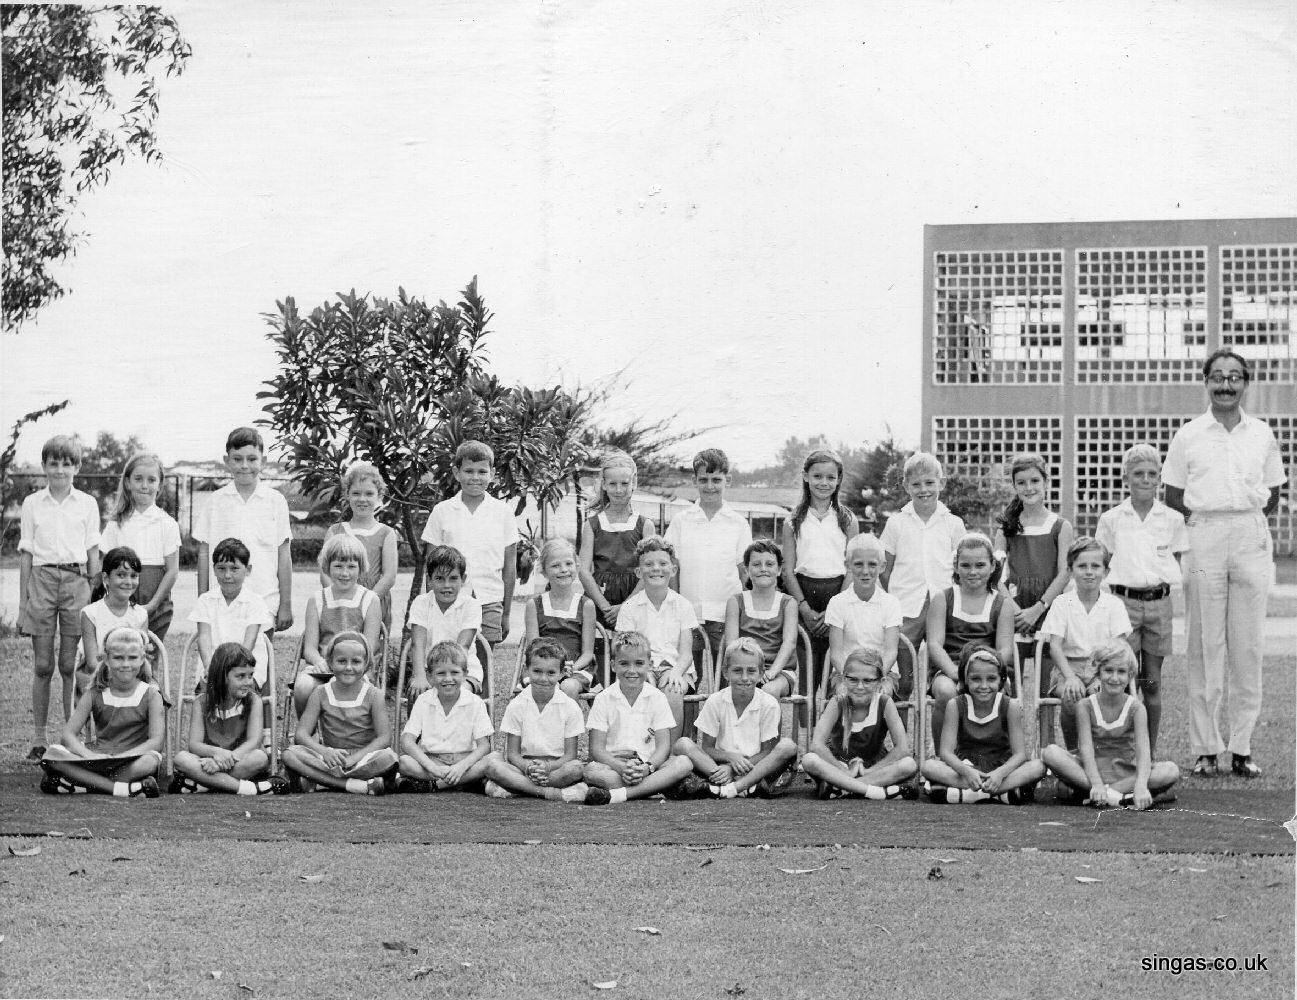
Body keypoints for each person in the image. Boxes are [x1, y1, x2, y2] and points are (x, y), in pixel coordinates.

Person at [1163, 349, 1287, 779]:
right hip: (1204, 535)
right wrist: (1207, 523)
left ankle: (1242, 747)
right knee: (1204, 644)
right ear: (1206, 382)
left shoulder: (1262, 434)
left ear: (1246, 383)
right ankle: (1205, 748)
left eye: (1235, 377)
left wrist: (1242, 520)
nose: (1226, 385)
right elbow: (1174, 495)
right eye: (1218, 377)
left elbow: (1272, 492)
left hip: (1249, 534)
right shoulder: (1190, 434)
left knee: (1248, 646)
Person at [1094, 443, 1189, 755]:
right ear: (1126, 478)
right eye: (1138, 474)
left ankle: (1148, 751)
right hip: (1124, 604)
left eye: (1152, 474)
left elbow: (1172, 560)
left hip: (1159, 605)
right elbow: (1100, 561)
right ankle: (1119, 749)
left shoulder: (1172, 519)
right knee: (1121, 678)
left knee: (1151, 683)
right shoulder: (1112, 519)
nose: (1145, 480)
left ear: (1160, 478)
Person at [18, 435, 101, 762]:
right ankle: (39, 738)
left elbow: (93, 552)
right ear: (44, 466)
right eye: (54, 463)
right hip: (41, 578)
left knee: (69, 664)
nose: (60, 469)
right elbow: (25, 554)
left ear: (76, 467)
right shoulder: (32, 503)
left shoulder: (87, 504)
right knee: (43, 664)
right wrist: (23, 602)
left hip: (76, 581)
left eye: (67, 463)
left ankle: (69, 736)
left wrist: (96, 596)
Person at [1042, 641, 1179, 809]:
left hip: (1126, 776)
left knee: (1170, 770)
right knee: (1050, 753)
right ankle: (1114, 796)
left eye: (1121, 672)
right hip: (1090, 774)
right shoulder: (1085, 706)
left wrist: (1141, 785)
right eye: (1108, 671)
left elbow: (1144, 752)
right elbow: (1086, 749)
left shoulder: (1136, 708)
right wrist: (1097, 783)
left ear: (1130, 676)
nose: (1114, 678)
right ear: (1098, 673)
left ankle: (1107, 794)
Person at [39, 626, 162, 797]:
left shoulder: (151, 694)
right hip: (98, 757)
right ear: (106, 659)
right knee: (52, 754)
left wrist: (125, 755)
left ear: (142, 659)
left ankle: (86, 784)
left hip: (132, 759)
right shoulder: (95, 692)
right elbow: (67, 735)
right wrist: (89, 755)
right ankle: (120, 789)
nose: (126, 664)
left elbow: (156, 741)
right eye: (118, 658)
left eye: (132, 658)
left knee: (150, 761)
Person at [664, 448, 753, 679]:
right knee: (688, 676)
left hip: (725, 614)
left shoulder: (738, 523)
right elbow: (673, 567)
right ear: (694, 480)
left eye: (716, 480)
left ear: (728, 480)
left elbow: (743, 571)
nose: (710, 486)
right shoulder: (681, 521)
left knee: (726, 676)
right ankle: (689, 716)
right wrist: (676, 605)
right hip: (688, 612)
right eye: (703, 480)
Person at [193, 426, 293, 632]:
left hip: (263, 598)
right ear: (227, 460)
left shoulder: (276, 501)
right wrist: (202, 601)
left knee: (259, 661)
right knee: (220, 660)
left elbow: (284, 556)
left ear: (263, 461)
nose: (244, 466)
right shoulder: (215, 501)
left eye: (252, 459)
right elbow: (204, 555)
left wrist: (285, 604)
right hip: (220, 600)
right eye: (237, 459)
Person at [672, 637, 798, 798]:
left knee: (788, 746)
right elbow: (707, 748)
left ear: (761, 673)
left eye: (751, 671)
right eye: (737, 671)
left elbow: (768, 752)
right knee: (683, 744)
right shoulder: (715, 701)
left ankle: (731, 787)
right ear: (726, 672)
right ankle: (738, 786)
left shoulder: (769, 703)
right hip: (717, 766)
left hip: (756, 766)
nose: (744, 678)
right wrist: (730, 759)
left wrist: (733, 769)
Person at [420, 439, 518, 647]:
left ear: (492, 474)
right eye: (469, 471)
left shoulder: (503, 513)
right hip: (448, 601)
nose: (475, 477)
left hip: (490, 601)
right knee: (448, 660)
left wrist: (506, 612)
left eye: (482, 471)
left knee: (484, 663)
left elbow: (510, 567)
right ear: (457, 473)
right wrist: (429, 607)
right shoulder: (442, 511)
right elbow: (431, 566)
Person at [1038, 537, 1132, 750]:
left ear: (1106, 572)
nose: (1089, 572)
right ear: (1070, 570)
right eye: (1082, 566)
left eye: (1095, 566)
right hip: (1067, 667)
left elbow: (1118, 648)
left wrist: (1102, 675)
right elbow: (1054, 646)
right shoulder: (1063, 603)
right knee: (1073, 696)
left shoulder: (1113, 604)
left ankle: (1101, 751)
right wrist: (1070, 677)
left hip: (1103, 666)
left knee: (1104, 695)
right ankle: (1073, 752)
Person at [920, 643, 1044, 804]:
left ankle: (967, 794)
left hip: (1000, 768)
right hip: (967, 768)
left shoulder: (1010, 706)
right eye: (976, 679)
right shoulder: (956, 705)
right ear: (965, 680)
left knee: (1038, 767)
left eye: (991, 679)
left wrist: (999, 774)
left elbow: (1020, 754)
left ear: (1001, 680)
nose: (984, 686)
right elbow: (945, 752)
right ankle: (1000, 794)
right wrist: (966, 772)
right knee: (928, 766)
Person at [582, 631, 696, 804]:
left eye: (639, 663)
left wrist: (646, 769)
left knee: (683, 763)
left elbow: (663, 747)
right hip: (615, 764)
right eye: (624, 664)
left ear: (649, 665)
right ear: (613, 665)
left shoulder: (657, 697)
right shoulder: (603, 698)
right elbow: (597, 750)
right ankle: (655, 787)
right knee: (591, 771)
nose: (632, 670)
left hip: (648, 765)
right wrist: (621, 767)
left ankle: (622, 794)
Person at [993, 453, 1074, 695]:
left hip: (1048, 615)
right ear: (1015, 486)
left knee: (1046, 695)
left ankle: (1046, 735)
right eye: (1022, 482)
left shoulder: (1060, 526)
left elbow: (1064, 574)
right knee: (1009, 692)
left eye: (1035, 481)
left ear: (1046, 482)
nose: (1029, 488)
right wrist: (1015, 611)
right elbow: (996, 576)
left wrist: (1038, 608)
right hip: (1013, 617)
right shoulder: (1005, 529)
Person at [281, 631, 399, 794]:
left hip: (363, 758)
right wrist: (325, 752)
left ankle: (320, 782)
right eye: (341, 661)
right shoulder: (320, 693)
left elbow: (385, 738)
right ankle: (351, 785)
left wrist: (355, 758)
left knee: (389, 758)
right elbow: (301, 734)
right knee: (289, 754)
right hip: (330, 758)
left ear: (366, 664)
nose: (348, 667)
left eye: (356, 662)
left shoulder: (374, 694)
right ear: (330, 662)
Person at [924, 532, 1015, 741]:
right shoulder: (943, 598)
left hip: (989, 669)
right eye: (965, 565)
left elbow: (1005, 649)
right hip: (950, 669)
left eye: (980, 565)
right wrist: (955, 673)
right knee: (947, 692)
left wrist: (983, 672)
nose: (973, 572)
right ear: (956, 566)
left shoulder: (1002, 604)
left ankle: (989, 752)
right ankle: (942, 755)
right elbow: (935, 645)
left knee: (991, 691)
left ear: (992, 566)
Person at [780, 449, 858, 684]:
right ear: (806, 476)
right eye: (817, 476)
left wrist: (836, 605)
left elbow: (852, 567)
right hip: (804, 594)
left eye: (830, 477)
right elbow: (787, 569)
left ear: (838, 480)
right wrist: (803, 607)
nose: (824, 483)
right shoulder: (793, 520)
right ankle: (807, 722)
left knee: (835, 667)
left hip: (839, 593)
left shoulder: (847, 519)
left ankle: (832, 720)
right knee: (808, 670)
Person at [801, 646, 918, 800]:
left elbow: (902, 749)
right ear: (843, 679)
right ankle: (874, 791)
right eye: (853, 679)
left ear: (881, 682)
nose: (860, 687)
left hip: (873, 767)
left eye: (868, 681)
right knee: (809, 760)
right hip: (838, 764)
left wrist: (868, 772)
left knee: (909, 764)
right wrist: (845, 771)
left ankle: (842, 788)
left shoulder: (884, 703)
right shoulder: (837, 702)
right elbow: (817, 745)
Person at [483, 638, 591, 802]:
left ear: (562, 674)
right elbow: (512, 754)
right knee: (492, 764)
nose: (543, 678)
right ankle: (549, 793)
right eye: (537, 671)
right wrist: (528, 768)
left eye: (551, 673)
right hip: (524, 767)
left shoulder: (570, 706)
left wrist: (547, 768)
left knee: (575, 769)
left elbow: (570, 755)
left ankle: (519, 788)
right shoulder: (516, 705)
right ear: (526, 671)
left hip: (556, 768)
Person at [170, 643, 286, 795]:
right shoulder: (201, 702)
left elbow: (254, 741)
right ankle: (248, 788)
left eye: (250, 675)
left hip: (238, 760)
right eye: (240, 676)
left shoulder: (253, 701)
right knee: (181, 759)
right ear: (223, 676)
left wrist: (222, 763)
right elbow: (194, 744)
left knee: (259, 757)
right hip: (210, 760)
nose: (248, 682)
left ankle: (203, 785)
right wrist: (217, 754)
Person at [880, 451, 965, 655]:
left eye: (929, 483)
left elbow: (962, 567)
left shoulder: (953, 524)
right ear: (906, 486)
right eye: (916, 484)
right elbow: (884, 568)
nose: (923, 490)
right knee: (903, 667)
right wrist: (894, 597)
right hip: (906, 605)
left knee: (941, 663)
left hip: (944, 606)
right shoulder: (896, 523)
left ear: (941, 483)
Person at [614, 537, 699, 740]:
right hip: (642, 667)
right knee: (643, 688)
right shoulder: (630, 608)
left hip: (678, 668)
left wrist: (676, 672)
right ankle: (642, 746)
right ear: (638, 572)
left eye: (663, 563)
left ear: (674, 569)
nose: (656, 569)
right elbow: (623, 649)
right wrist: (645, 671)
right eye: (648, 564)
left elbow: (687, 654)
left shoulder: (683, 605)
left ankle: (670, 753)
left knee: (673, 689)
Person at [296, 533, 383, 715]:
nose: (345, 573)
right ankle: (309, 734)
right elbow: (310, 648)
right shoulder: (317, 600)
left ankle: (350, 736)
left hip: (357, 667)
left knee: (361, 690)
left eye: (351, 566)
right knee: (303, 686)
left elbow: (369, 648)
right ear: (327, 567)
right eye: (338, 566)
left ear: (361, 568)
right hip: (325, 669)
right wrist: (320, 662)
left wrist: (350, 666)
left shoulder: (370, 600)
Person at [100, 452, 180, 638]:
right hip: (121, 602)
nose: (145, 486)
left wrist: (151, 605)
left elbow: (172, 571)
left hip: (156, 602)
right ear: (128, 483)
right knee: (121, 653)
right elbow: (105, 568)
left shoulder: (167, 523)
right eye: (138, 479)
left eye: (151, 480)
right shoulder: (115, 525)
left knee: (149, 656)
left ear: (159, 485)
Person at [397, 641, 494, 793]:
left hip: (464, 761)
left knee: (493, 760)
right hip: (433, 760)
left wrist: (461, 767)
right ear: (430, 677)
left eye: (455, 672)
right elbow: (407, 741)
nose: (448, 679)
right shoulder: (423, 700)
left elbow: (484, 746)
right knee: (404, 762)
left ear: (465, 674)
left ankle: (435, 785)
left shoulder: (475, 702)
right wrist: (431, 767)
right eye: (441, 673)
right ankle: (463, 782)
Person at [579, 450, 656, 628]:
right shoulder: (592, 524)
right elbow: (584, 571)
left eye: (624, 483)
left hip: (636, 600)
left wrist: (625, 607)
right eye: (613, 484)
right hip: (601, 601)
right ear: (604, 485)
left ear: (634, 483)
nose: (619, 490)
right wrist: (606, 608)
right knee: (600, 649)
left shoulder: (645, 525)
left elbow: (650, 570)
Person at [323, 461, 398, 630]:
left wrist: (365, 602)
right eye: (356, 493)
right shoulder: (335, 531)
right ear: (347, 495)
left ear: (379, 497)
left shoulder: (386, 533)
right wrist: (339, 599)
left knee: (369, 648)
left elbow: (389, 576)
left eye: (369, 494)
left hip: (374, 600)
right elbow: (324, 572)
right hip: (339, 602)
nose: (362, 499)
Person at [190, 538, 273, 689]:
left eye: (234, 569)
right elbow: (204, 637)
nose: (227, 575)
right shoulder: (205, 600)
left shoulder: (255, 602)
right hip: (212, 669)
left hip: (245, 669)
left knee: (237, 687)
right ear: (214, 569)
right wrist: (210, 667)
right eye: (221, 569)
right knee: (207, 694)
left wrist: (234, 671)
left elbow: (250, 642)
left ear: (248, 570)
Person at [824, 534, 902, 693]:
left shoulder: (891, 603)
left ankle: (879, 718)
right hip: (845, 673)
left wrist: (874, 677)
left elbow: (891, 651)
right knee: (844, 692)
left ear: (882, 566)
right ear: (848, 565)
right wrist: (852, 678)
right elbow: (836, 653)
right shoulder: (837, 602)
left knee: (880, 693)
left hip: (883, 673)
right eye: (858, 564)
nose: (865, 571)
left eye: (872, 564)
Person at [724, 539, 798, 701]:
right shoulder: (736, 601)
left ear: (779, 570)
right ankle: (737, 727)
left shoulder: (788, 603)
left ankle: (769, 728)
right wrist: (749, 672)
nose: (763, 569)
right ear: (746, 569)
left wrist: (771, 672)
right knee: (740, 691)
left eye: (769, 564)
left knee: (769, 691)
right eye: (756, 564)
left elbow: (789, 643)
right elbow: (731, 644)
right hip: (743, 668)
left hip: (779, 671)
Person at [523, 537, 597, 699]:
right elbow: (533, 649)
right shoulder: (534, 605)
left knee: (568, 686)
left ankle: (568, 724)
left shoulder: (586, 605)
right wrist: (551, 668)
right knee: (542, 685)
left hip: (576, 668)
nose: (563, 569)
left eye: (568, 564)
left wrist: (568, 669)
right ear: (543, 571)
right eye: (555, 565)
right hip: (542, 666)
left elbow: (588, 653)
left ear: (577, 566)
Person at [406, 545, 483, 696]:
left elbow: (463, 646)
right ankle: (417, 720)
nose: (447, 585)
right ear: (429, 580)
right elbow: (417, 644)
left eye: (453, 578)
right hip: (429, 672)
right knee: (418, 692)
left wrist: (450, 679)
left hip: (464, 672)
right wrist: (421, 676)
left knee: (459, 692)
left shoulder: (471, 605)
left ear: (463, 579)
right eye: (439, 579)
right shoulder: (421, 603)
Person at [78, 546, 151, 692]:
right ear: (106, 578)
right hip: (98, 680)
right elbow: (92, 663)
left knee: (156, 697)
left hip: (132, 678)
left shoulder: (140, 614)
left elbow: (141, 657)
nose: (128, 581)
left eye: (134, 575)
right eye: (121, 575)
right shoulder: (90, 613)